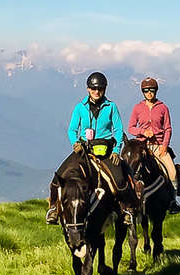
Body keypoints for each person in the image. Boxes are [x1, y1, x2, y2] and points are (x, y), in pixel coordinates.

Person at [46, 71, 126, 223]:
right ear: (88, 89)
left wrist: (116, 151)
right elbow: (72, 130)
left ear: (104, 89)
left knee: (120, 180)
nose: (97, 91)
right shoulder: (80, 108)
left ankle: (125, 210)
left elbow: (118, 130)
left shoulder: (111, 107)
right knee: (58, 178)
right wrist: (75, 143)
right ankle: (54, 208)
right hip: (84, 150)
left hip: (106, 150)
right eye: (94, 88)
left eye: (100, 89)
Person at [127, 76, 179, 213]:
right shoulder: (137, 108)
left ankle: (173, 201)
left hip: (158, 146)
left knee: (172, 172)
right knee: (130, 170)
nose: (149, 93)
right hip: (141, 146)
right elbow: (131, 128)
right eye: (146, 90)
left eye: (152, 90)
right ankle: (127, 201)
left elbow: (168, 128)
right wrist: (143, 132)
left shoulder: (163, 108)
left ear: (156, 91)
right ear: (143, 92)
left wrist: (164, 145)